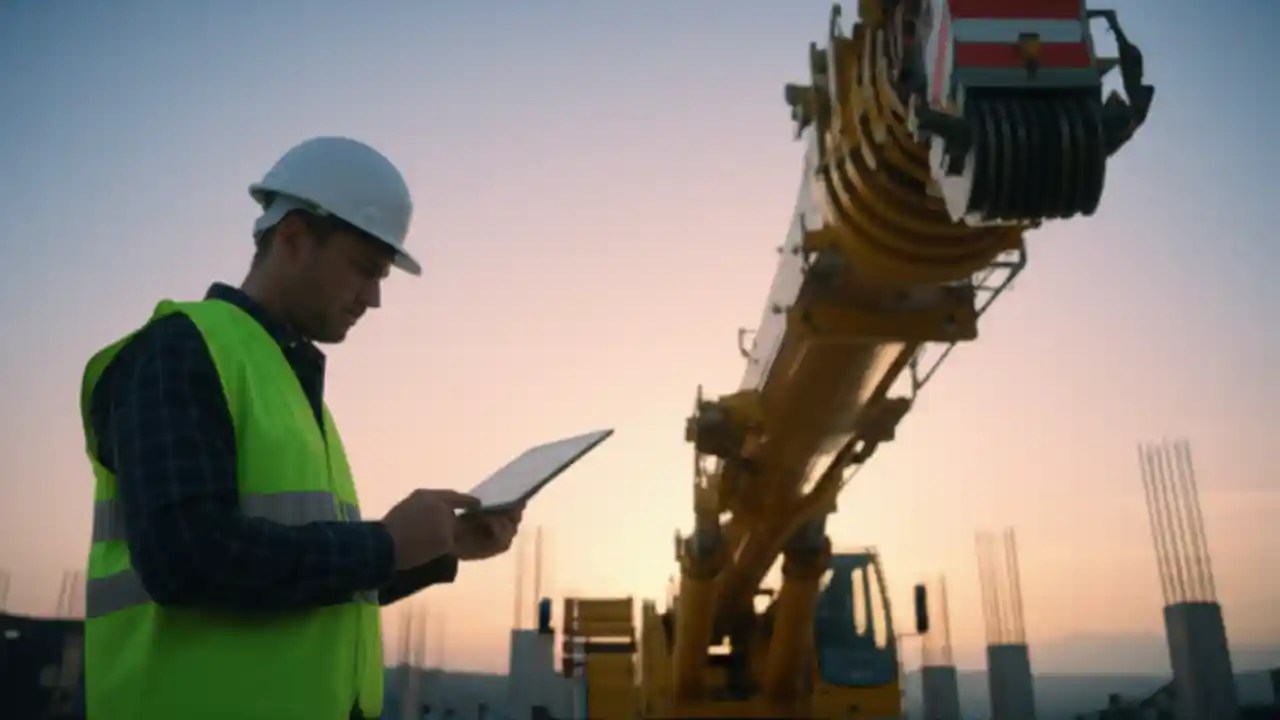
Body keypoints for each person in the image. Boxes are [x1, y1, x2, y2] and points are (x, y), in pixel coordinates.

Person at [77, 136, 523, 720]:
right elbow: (187, 557)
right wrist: (386, 544)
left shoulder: (287, 387)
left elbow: (309, 586)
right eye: (365, 270)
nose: (375, 298)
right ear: (293, 238)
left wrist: (442, 547)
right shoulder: (182, 349)